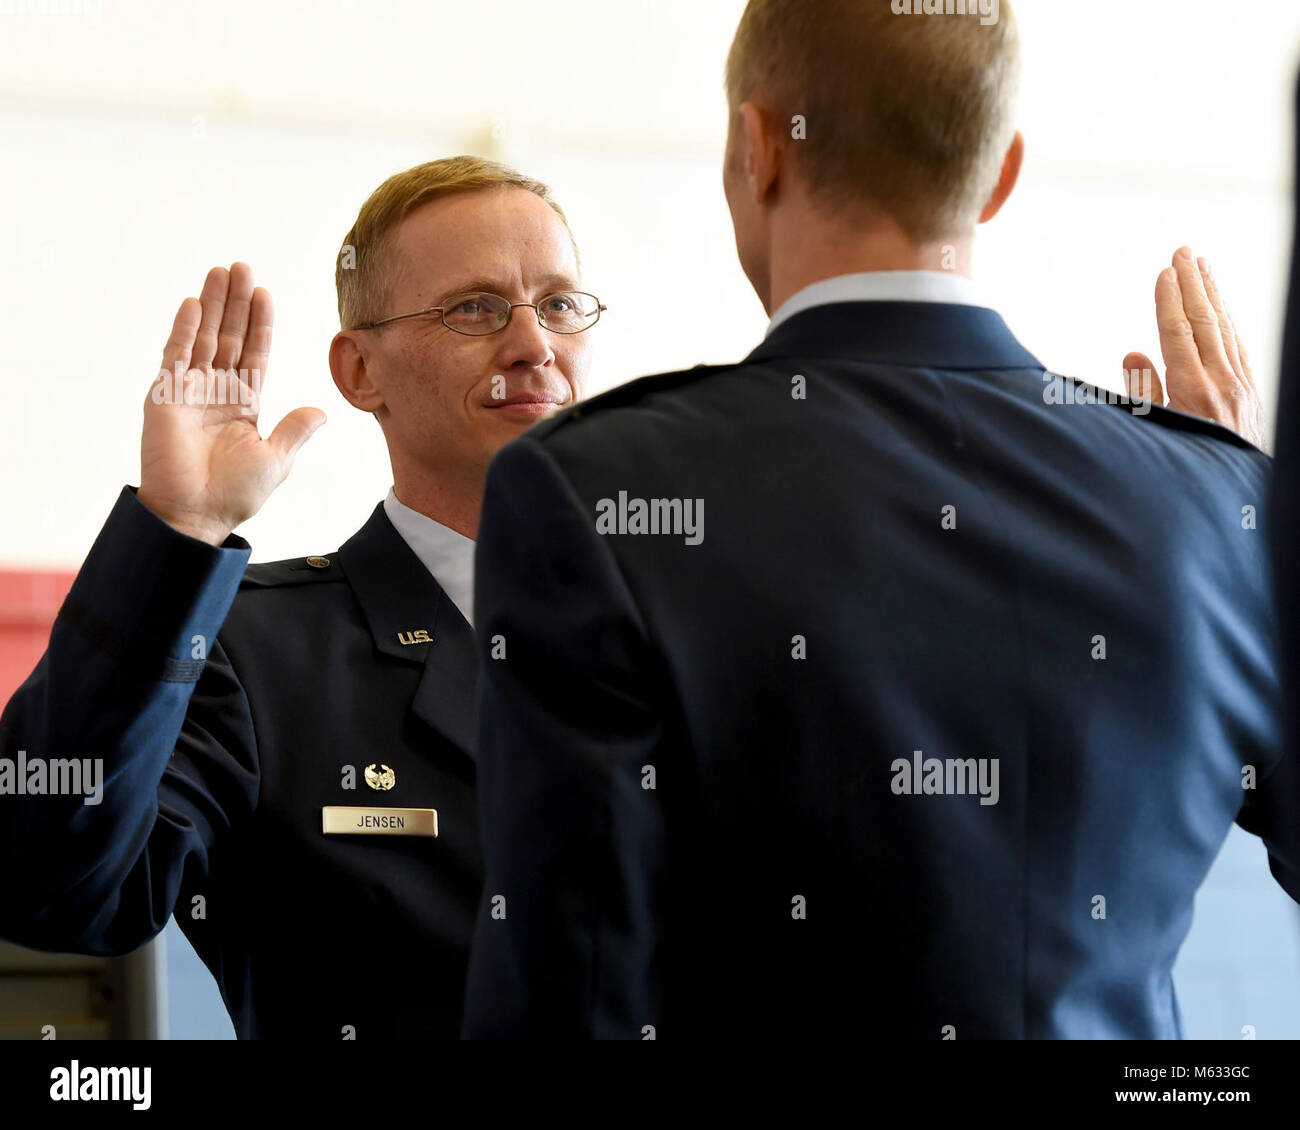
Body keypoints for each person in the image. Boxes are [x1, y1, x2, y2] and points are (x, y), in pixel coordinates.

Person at [462, 0, 1283, 1039]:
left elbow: (568, 1003)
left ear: (757, 147)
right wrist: (1239, 510)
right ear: (1000, 173)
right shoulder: (1217, 500)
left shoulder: (591, 490)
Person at [0, 156, 601, 1038]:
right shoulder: (252, 659)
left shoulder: (694, 642)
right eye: (474, 308)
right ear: (361, 372)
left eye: (558, 305)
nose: (533, 345)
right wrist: (178, 531)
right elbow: (48, 887)